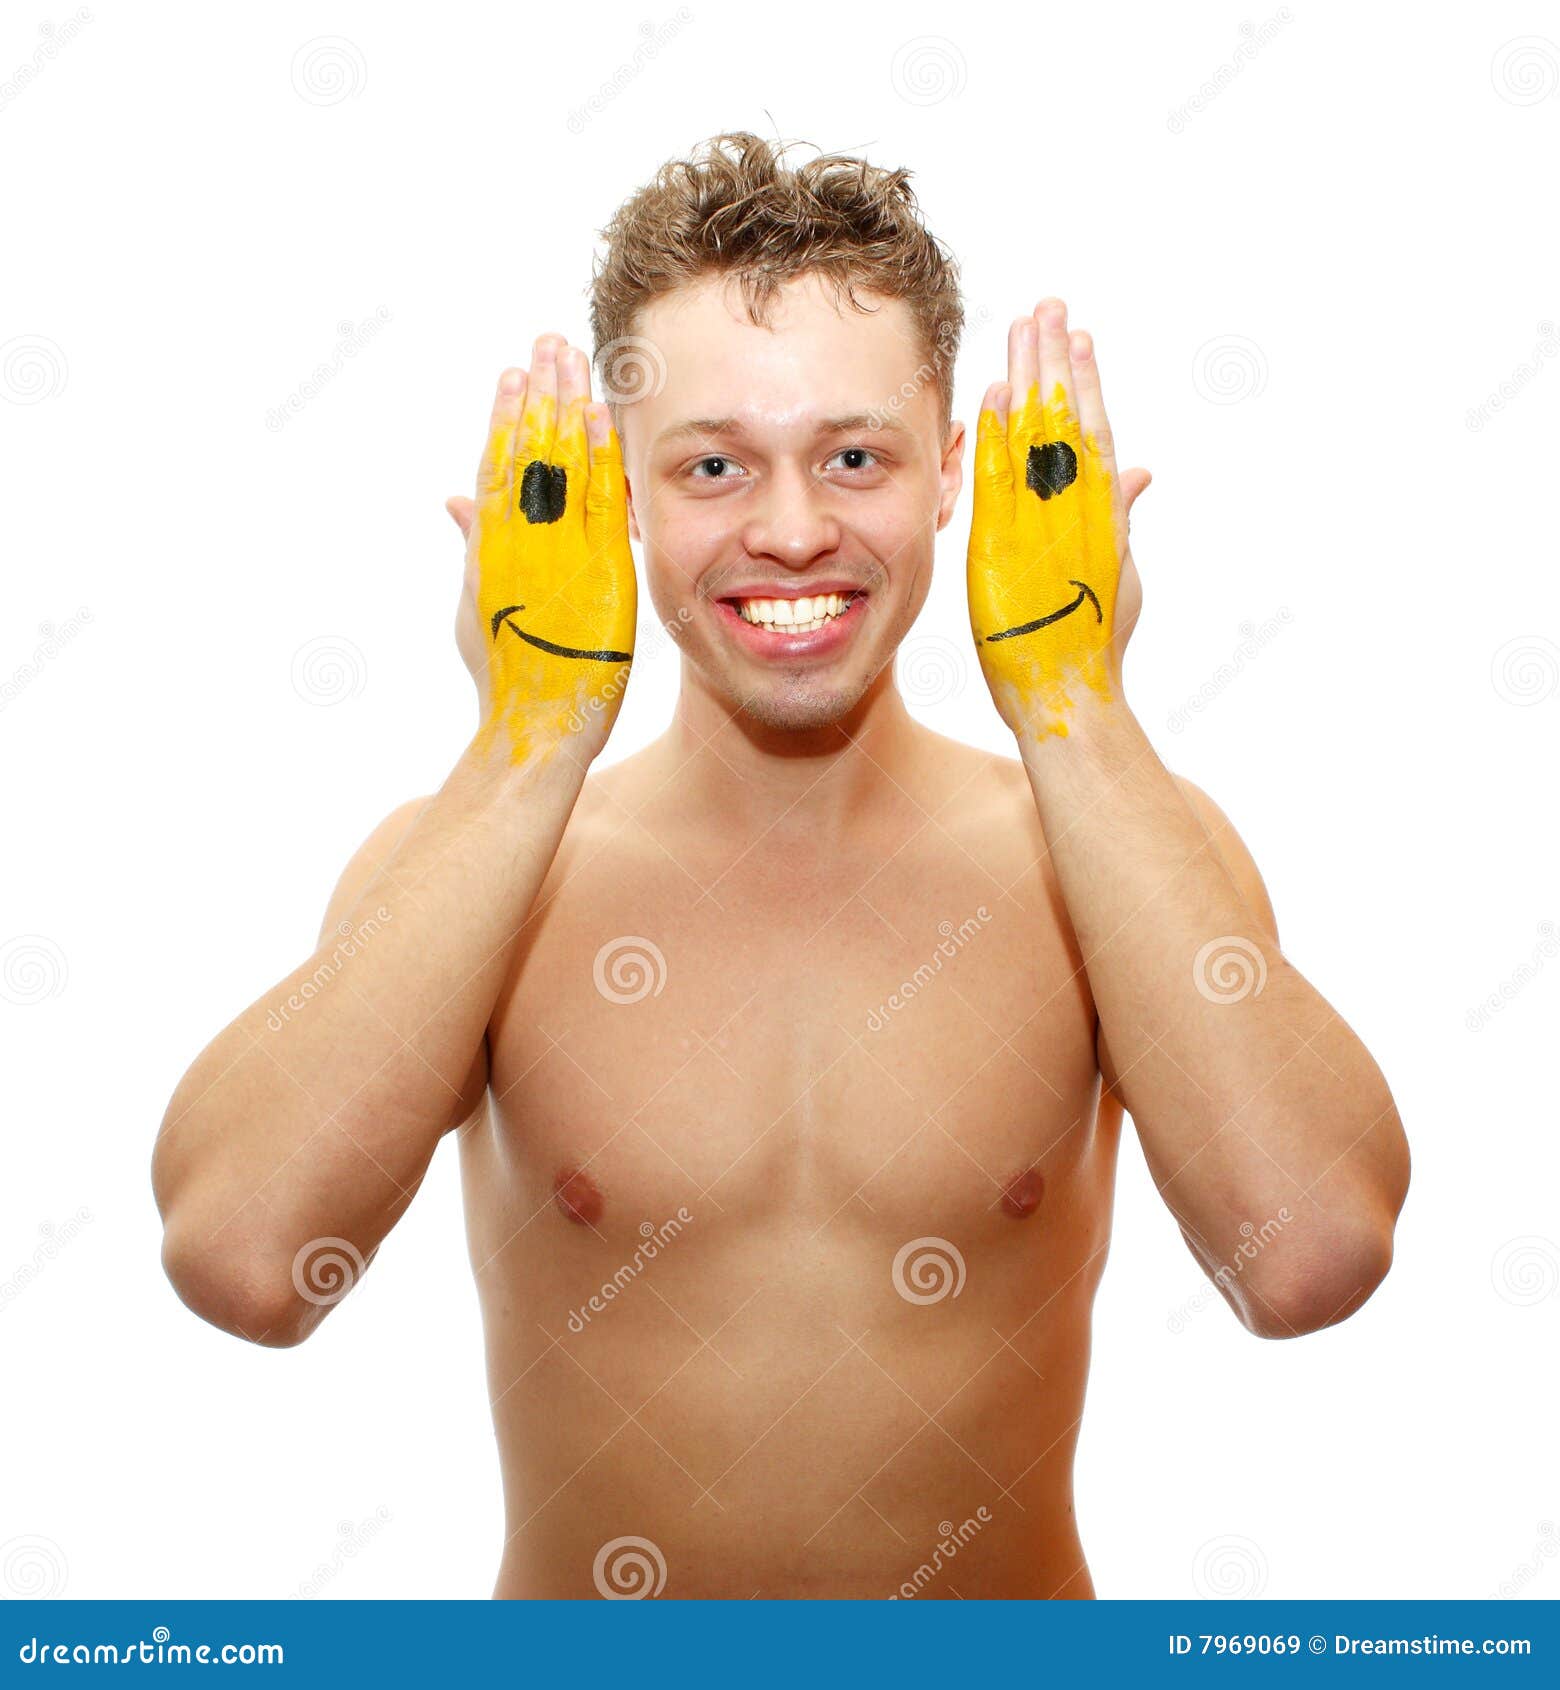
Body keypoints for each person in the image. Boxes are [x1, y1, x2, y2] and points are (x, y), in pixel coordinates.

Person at [152, 132, 1410, 1600]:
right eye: (712, 466)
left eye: (855, 456)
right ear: (614, 491)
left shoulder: (1105, 847)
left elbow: (1311, 1256)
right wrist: (527, 733)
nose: (794, 529)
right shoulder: (490, 865)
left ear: (959, 475)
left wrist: (1077, 700)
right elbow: (244, 1259)